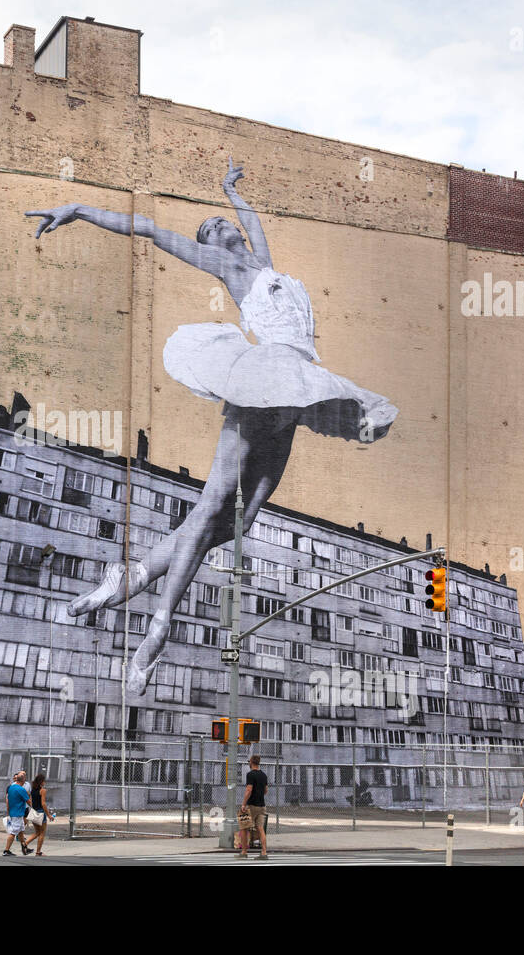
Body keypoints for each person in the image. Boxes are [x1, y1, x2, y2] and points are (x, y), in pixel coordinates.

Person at [26, 158, 397, 695]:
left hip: (297, 385)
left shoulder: (266, 267)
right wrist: (80, 209)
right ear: (211, 246)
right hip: (266, 374)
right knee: (213, 502)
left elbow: (255, 226)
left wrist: (232, 193)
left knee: (238, 521)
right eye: (212, 227)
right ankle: (159, 625)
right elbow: (148, 229)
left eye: (223, 221)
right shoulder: (226, 266)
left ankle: (133, 575)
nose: (222, 225)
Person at [237, 754, 269, 859]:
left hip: (251, 806)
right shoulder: (264, 775)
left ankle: (244, 852)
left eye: (249, 762)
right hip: (262, 806)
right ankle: (264, 852)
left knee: (244, 828)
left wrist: (243, 804)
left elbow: (249, 790)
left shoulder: (250, 774)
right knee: (260, 829)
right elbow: (266, 790)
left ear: (251, 762)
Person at [2, 770, 32, 857]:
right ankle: (6, 850)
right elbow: (29, 801)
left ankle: (24, 848)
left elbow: (8, 800)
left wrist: (8, 811)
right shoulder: (21, 789)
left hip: (13, 812)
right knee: (13, 832)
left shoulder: (11, 787)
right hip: (18, 813)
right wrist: (36, 809)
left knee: (21, 831)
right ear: (23, 781)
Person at [25, 773, 55, 856]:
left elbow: (29, 799)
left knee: (37, 832)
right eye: (44, 781)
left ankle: (25, 843)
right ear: (41, 782)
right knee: (42, 833)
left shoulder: (33, 790)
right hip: (40, 812)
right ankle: (38, 852)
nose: (44, 782)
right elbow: (43, 804)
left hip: (33, 811)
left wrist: (32, 806)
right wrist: (49, 815)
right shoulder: (43, 790)